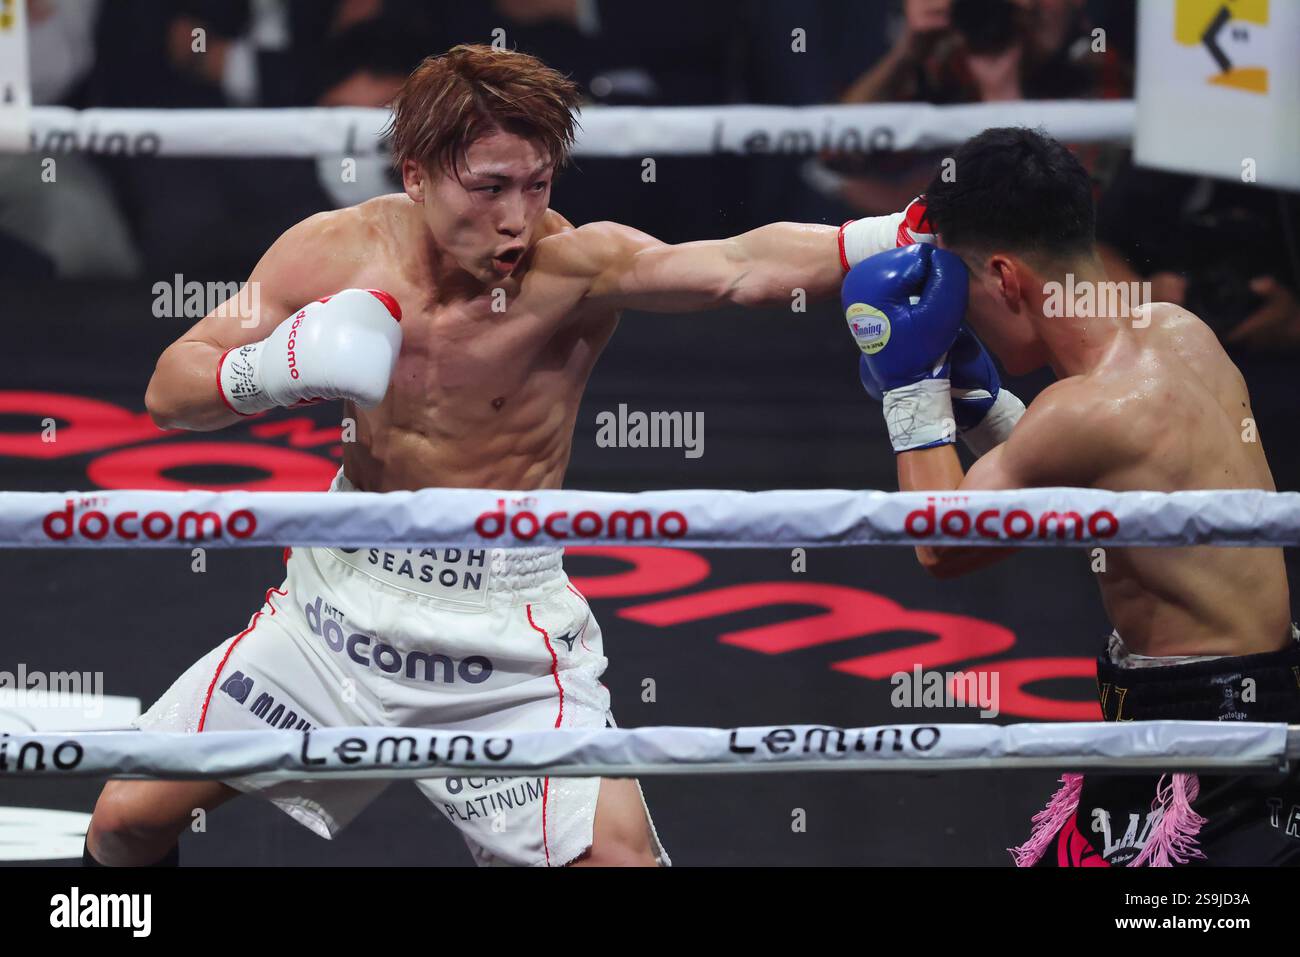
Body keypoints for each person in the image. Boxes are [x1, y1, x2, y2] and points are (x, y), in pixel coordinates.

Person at [84, 44, 918, 868]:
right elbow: (169, 389)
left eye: (537, 183)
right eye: (487, 188)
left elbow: (738, 267)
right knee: (125, 819)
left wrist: (895, 233)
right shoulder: (329, 252)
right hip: (335, 611)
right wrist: (272, 370)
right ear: (416, 176)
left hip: (502, 639)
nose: (517, 216)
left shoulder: (577, 269)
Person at [844, 127, 1297, 866]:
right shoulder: (1177, 332)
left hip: (1204, 755)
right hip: (1222, 713)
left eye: (961, 291)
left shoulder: (1089, 409)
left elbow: (941, 544)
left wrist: (915, 388)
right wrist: (986, 410)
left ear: (1006, 277)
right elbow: (1096, 473)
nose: (959, 316)